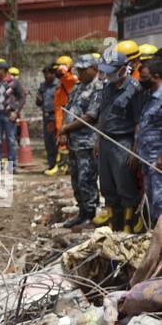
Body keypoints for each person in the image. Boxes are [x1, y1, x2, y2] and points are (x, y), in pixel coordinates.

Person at [96, 48, 147, 232]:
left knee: (125, 185)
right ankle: (112, 228)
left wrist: (134, 149)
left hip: (122, 143)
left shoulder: (135, 90)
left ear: (122, 69)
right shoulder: (108, 88)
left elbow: (139, 122)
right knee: (107, 186)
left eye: (110, 71)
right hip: (105, 142)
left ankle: (127, 229)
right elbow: (103, 115)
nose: (107, 75)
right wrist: (98, 140)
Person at [59, 54, 104, 229]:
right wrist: (64, 130)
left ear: (94, 69)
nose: (80, 72)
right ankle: (81, 212)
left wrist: (67, 129)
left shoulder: (98, 88)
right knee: (76, 179)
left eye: (84, 70)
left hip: (87, 142)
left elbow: (91, 116)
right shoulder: (78, 87)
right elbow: (68, 109)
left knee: (87, 179)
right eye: (79, 69)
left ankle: (90, 214)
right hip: (73, 141)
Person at [133, 60, 162, 226]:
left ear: (156, 76)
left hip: (157, 160)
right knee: (151, 200)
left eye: (143, 77)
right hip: (147, 158)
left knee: (160, 202)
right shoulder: (150, 97)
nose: (140, 80)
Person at [50, 57, 78, 175]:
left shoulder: (70, 79)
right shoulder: (63, 81)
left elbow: (64, 75)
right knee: (61, 140)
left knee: (63, 139)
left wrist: (62, 69)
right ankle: (62, 165)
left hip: (65, 113)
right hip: (60, 112)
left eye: (60, 67)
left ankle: (64, 166)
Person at [36, 65, 59, 173]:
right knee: (48, 141)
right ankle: (51, 164)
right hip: (46, 116)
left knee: (57, 141)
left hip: (56, 115)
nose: (46, 76)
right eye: (45, 74)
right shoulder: (42, 86)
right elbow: (38, 102)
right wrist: (38, 99)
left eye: (48, 74)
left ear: (53, 74)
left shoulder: (59, 85)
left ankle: (59, 164)